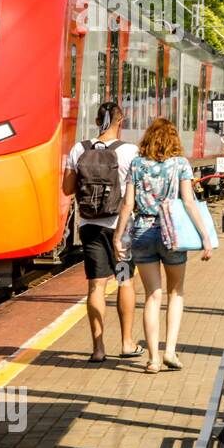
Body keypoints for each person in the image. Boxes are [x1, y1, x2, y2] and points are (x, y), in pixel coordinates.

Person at [113, 118, 213, 375]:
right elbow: (189, 203)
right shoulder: (180, 164)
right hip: (173, 235)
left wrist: (118, 236)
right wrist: (205, 237)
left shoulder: (137, 164)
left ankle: (153, 359)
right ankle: (170, 351)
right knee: (175, 293)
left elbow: (127, 204)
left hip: (143, 232)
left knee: (152, 296)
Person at [62, 101, 139, 363]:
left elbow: (67, 189)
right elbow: (136, 191)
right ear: (121, 121)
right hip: (122, 227)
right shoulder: (130, 151)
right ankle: (127, 343)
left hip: (89, 226)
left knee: (96, 285)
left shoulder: (78, 149)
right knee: (125, 281)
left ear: (97, 122)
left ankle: (98, 348)